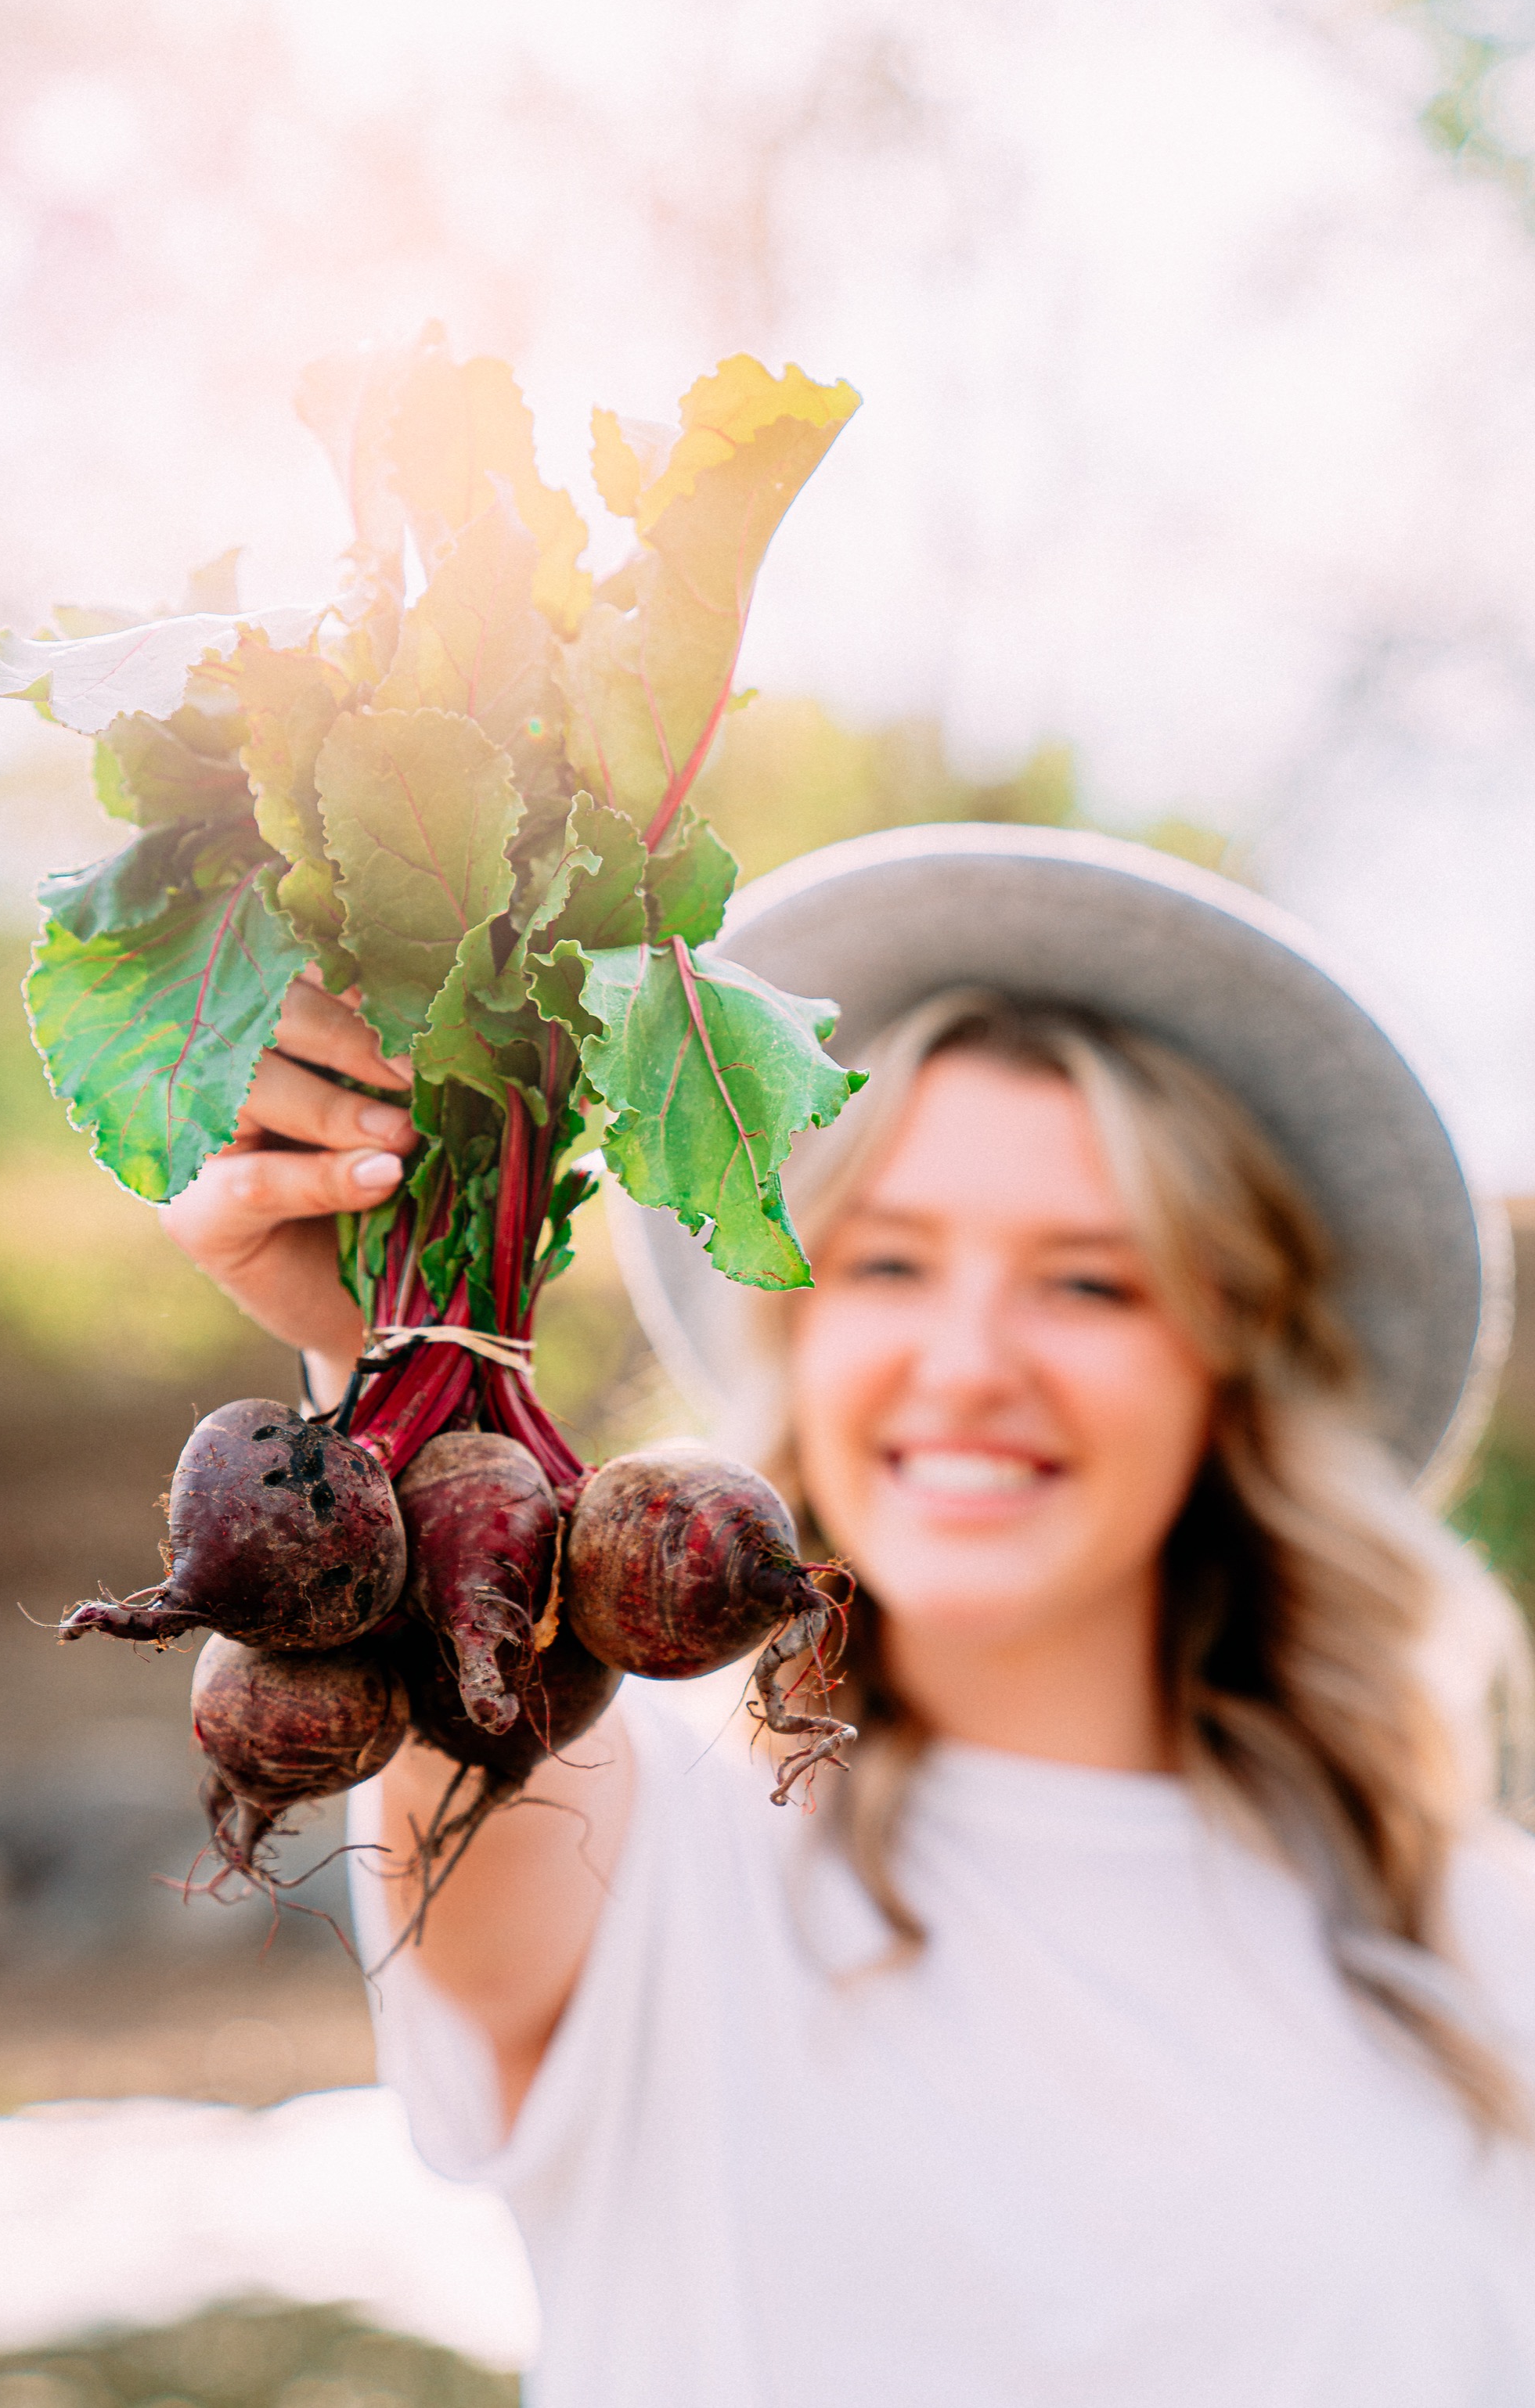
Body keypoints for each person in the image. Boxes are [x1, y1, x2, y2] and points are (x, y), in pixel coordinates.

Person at [163, 824, 1535, 2408]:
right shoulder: (664, 1836)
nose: (966, 1361)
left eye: (1088, 1282)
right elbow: (488, 1723)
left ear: (1231, 1365)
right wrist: (377, 1361)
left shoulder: (1483, 1944)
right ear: (797, 1330)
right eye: (887, 1263)